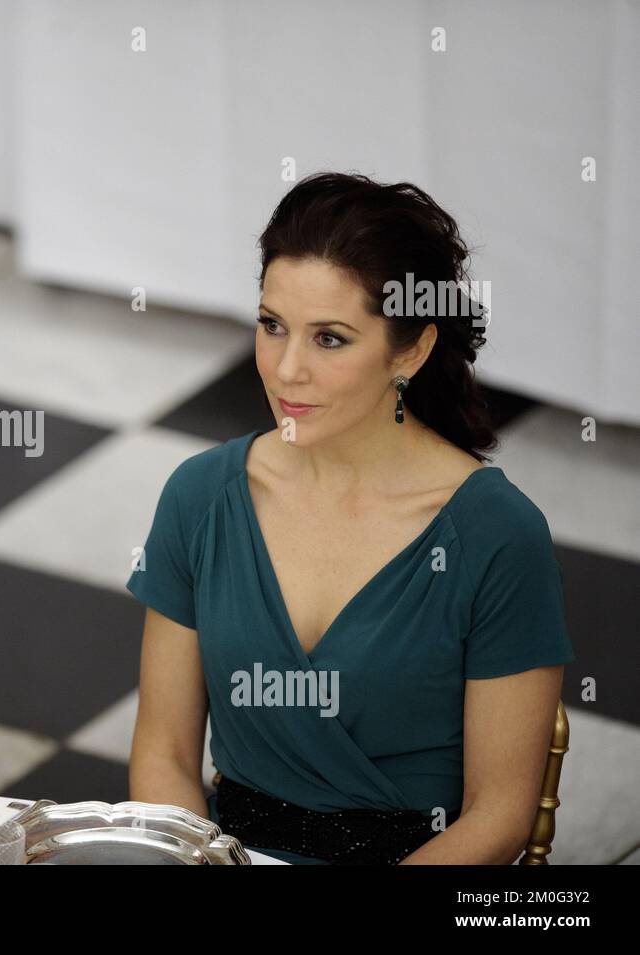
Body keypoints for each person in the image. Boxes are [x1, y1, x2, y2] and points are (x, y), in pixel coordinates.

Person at [126, 172, 574, 864]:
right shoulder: (200, 495)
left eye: (329, 339)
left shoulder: (497, 535)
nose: (285, 370)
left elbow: (500, 816)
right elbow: (164, 754)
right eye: (272, 325)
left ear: (412, 350)